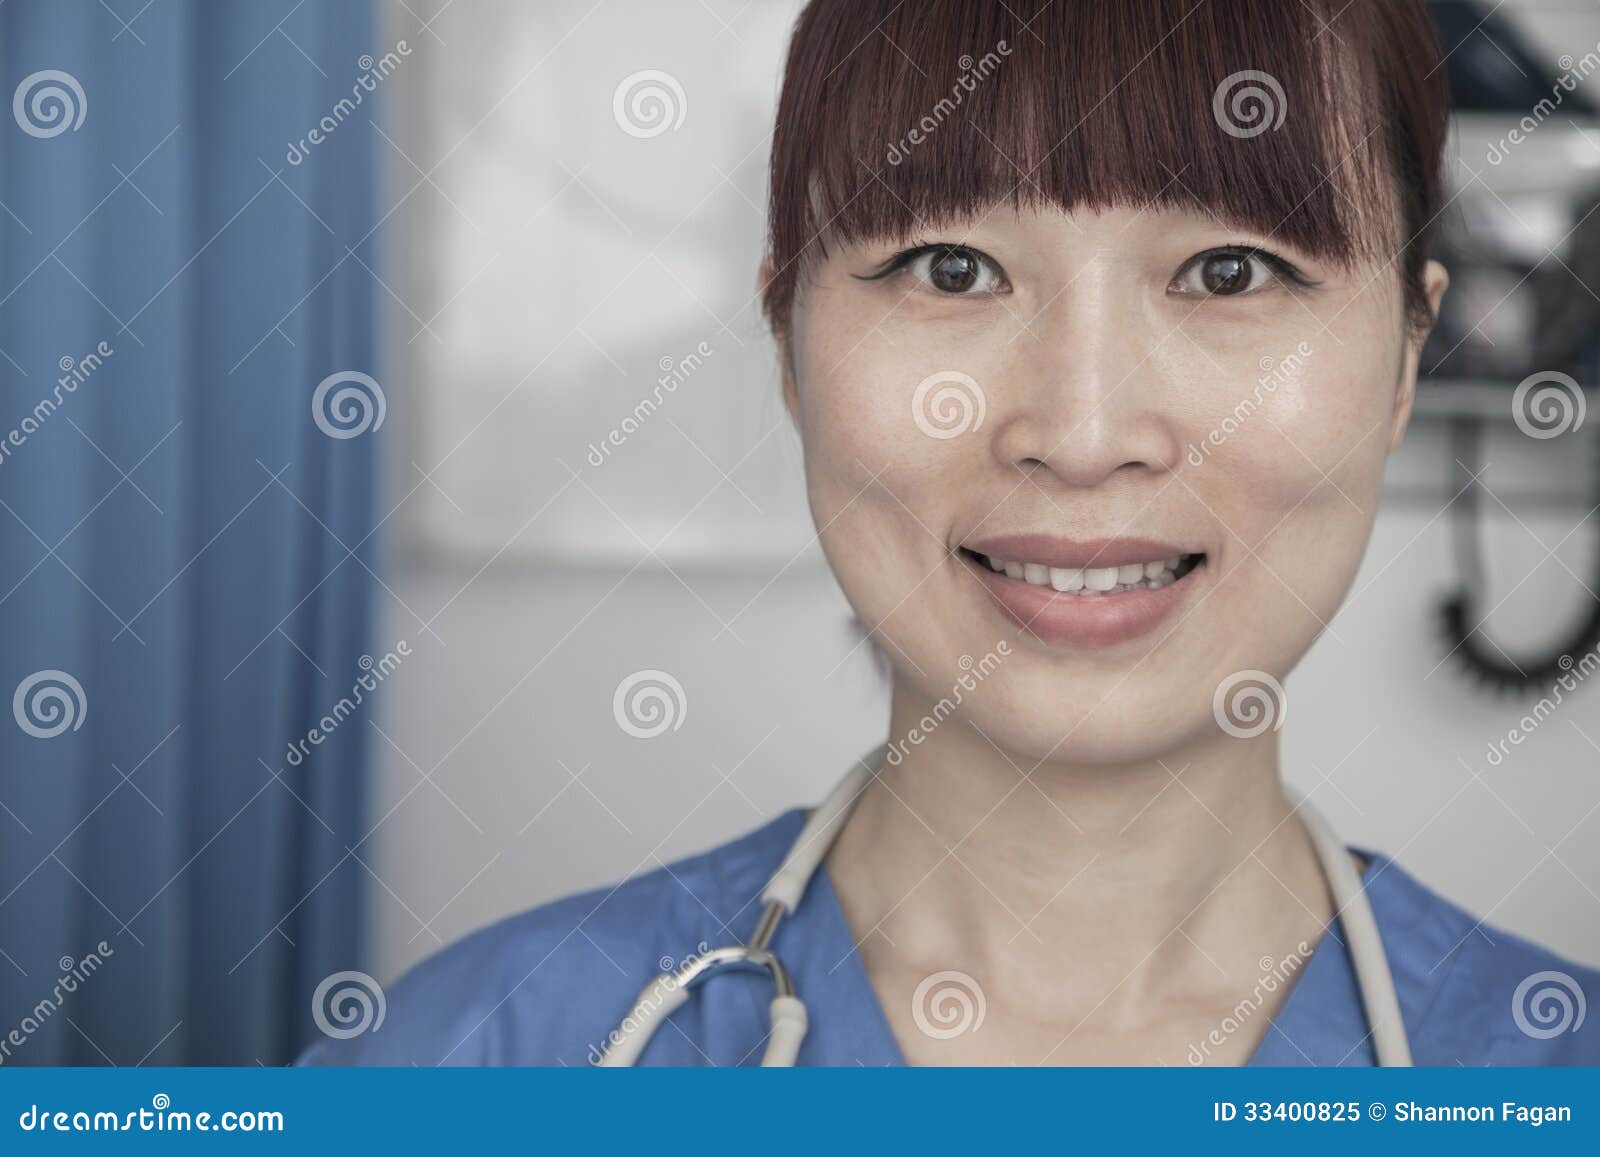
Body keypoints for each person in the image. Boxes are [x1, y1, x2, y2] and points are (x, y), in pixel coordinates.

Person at [302, 0, 1599, 1066]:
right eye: (950, 268)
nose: (1083, 432)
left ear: (1407, 359)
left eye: (1230, 271)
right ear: (790, 344)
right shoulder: (477, 1058)